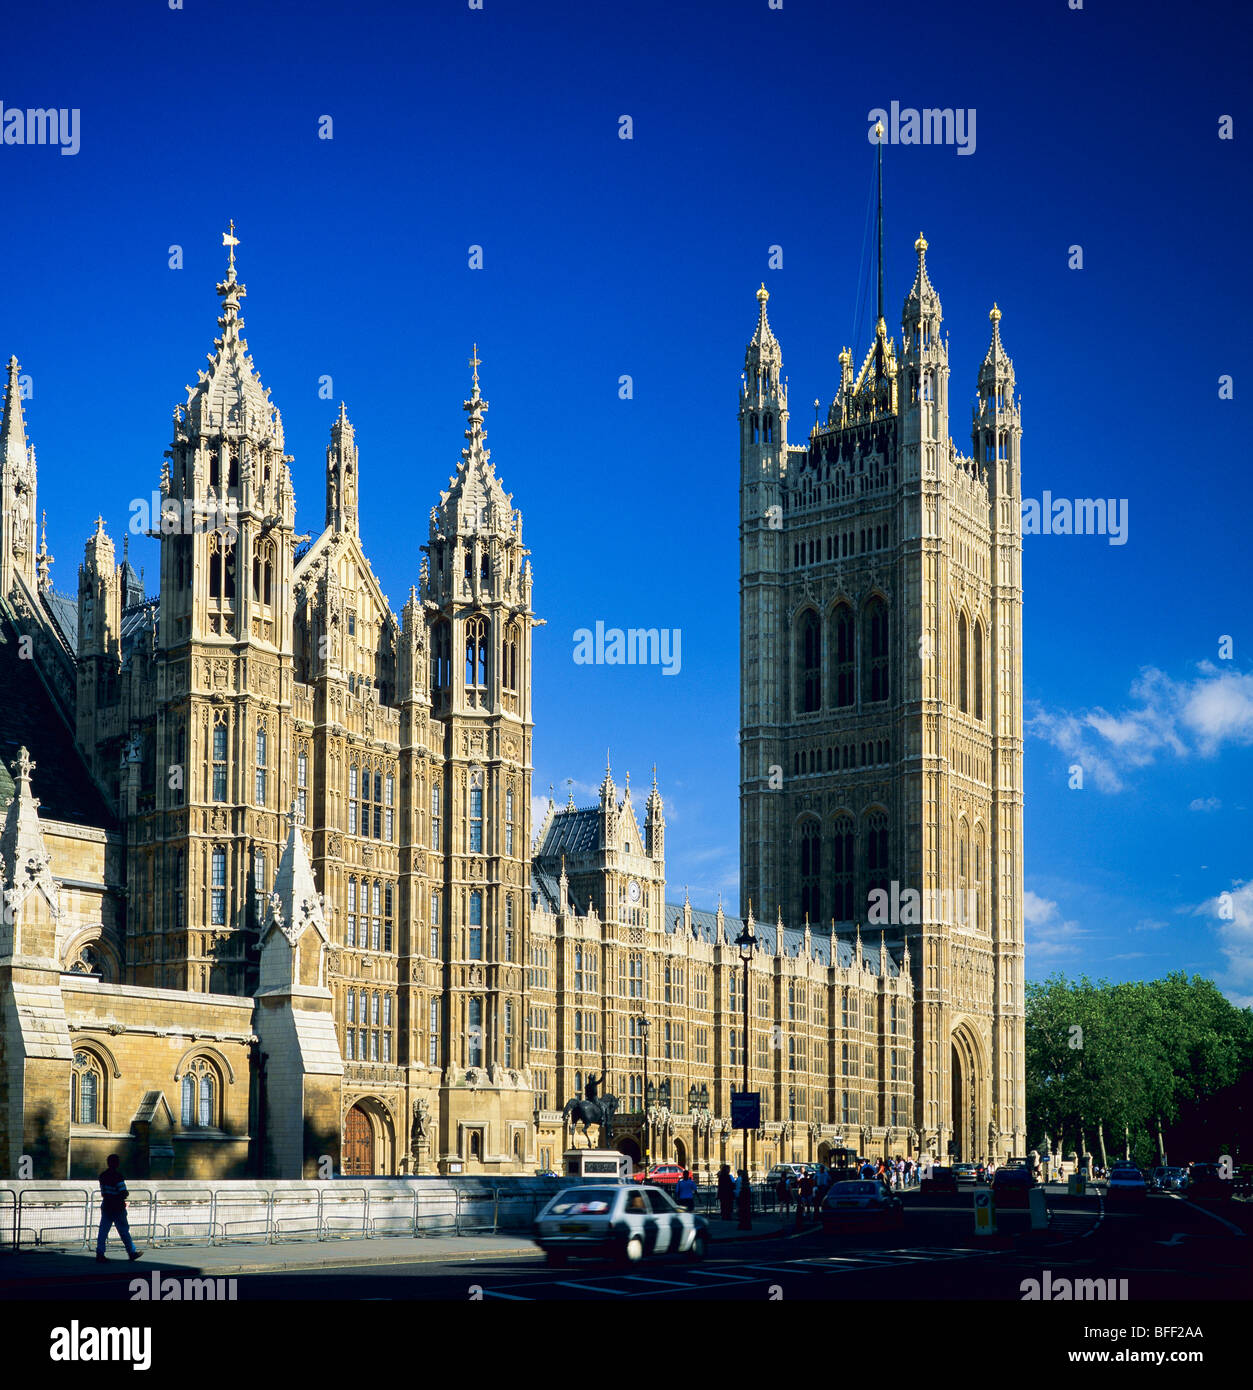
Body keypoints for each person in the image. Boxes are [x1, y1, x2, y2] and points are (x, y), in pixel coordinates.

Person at [96, 1154, 143, 1263]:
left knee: (103, 1231)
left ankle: (100, 1253)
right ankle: (131, 1252)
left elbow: (104, 1192)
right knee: (123, 1231)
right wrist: (125, 1194)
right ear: (116, 1163)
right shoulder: (118, 1176)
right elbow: (123, 1192)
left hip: (107, 1205)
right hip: (117, 1207)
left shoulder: (102, 1176)